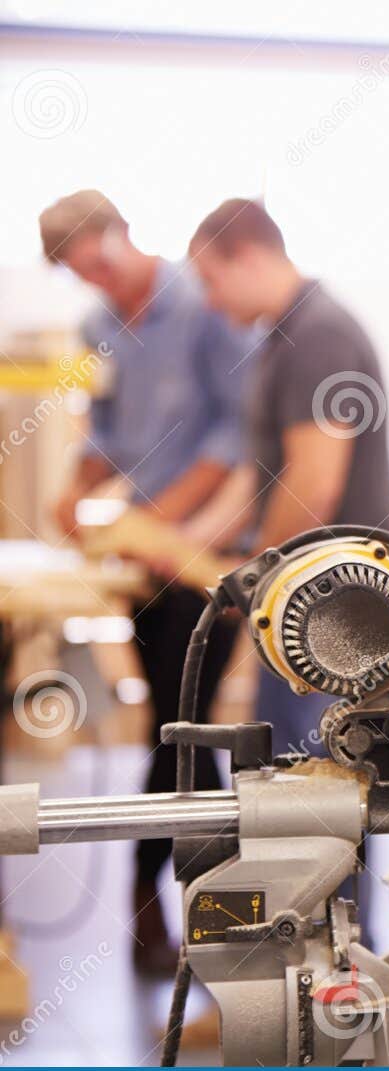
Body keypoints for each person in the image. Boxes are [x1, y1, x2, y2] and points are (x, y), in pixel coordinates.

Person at [39, 190, 252, 975]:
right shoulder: (100, 327)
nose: (97, 282)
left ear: (121, 234)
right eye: (76, 273)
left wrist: (166, 523)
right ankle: (193, 919)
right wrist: (77, 484)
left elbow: (236, 437)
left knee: (189, 733)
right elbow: (108, 433)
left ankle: (156, 903)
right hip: (144, 559)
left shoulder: (204, 304)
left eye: (98, 262)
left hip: (207, 559)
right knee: (180, 729)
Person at [180, 198, 389, 758]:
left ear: (247, 257)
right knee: (292, 791)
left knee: (315, 802)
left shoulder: (318, 336)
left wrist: (255, 575)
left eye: (210, 280)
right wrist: (195, 546)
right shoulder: (283, 337)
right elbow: (262, 477)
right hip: (309, 603)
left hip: (335, 616)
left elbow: (313, 484)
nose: (209, 300)